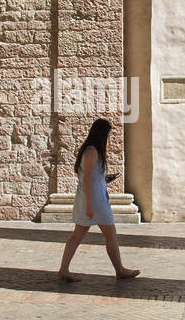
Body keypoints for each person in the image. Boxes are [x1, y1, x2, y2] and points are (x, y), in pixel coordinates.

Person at [56, 118, 140, 281]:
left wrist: (103, 178)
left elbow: (91, 176)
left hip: (94, 196)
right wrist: (89, 206)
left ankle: (64, 270)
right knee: (108, 234)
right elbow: (86, 179)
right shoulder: (91, 151)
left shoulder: (92, 151)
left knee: (79, 235)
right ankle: (120, 269)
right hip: (94, 200)